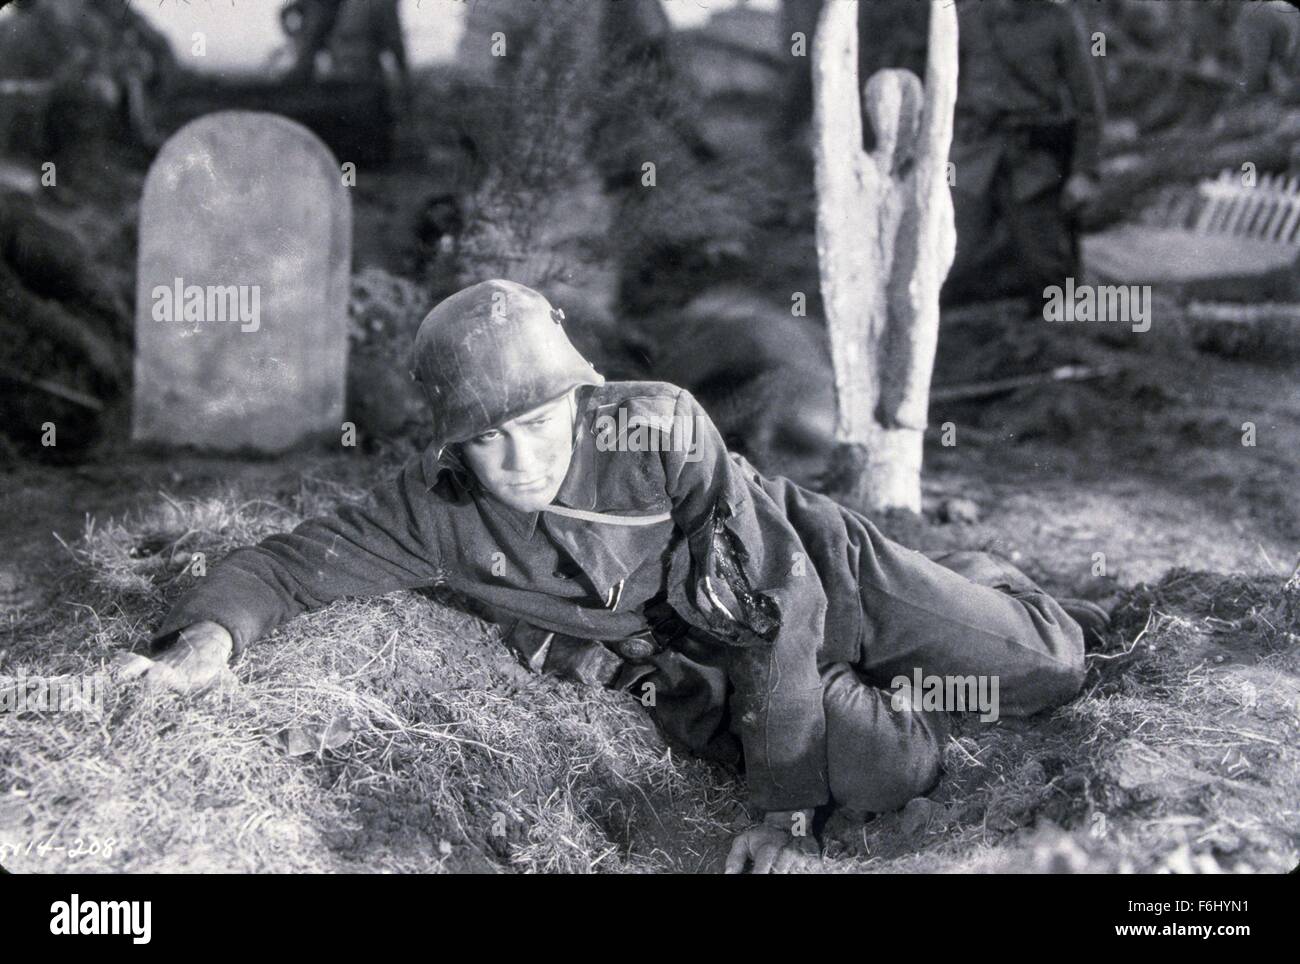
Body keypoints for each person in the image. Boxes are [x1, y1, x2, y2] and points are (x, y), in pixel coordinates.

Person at [139, 279, 1104, 874]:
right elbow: (285, 568)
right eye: (486, 439)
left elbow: (778, 598)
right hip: (715, 660)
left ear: (582, 396)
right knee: (879, 768)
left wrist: (780, 814)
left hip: (820, 572)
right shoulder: (432, 508)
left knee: (1051, 665)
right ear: (452, 447)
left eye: (540, 422)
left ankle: (975, 581)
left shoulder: (657, 426)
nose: (517, 457)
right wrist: (203, 643)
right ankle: (884, 700)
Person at [945, 0, 1105, 304]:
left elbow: (1089, 107)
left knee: (1049, 274)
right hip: (972, 160)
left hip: (1030, 165)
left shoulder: (1059, 21)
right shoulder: (965, 20)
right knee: (947, 261)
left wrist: (1084, 172)